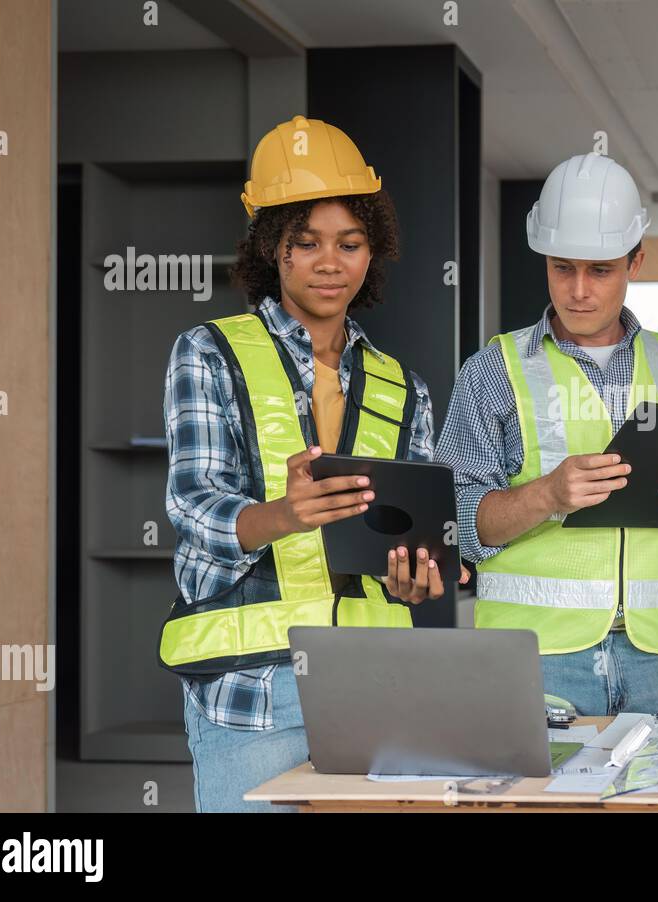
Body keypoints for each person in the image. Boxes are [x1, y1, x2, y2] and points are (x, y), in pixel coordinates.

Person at [160, 115, 466, 811]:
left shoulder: (401, 385)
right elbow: (194, 507)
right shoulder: (209, 353)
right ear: (273, 250)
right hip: (254, 698)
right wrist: (284, 514)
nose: (331, 263)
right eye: (306, 243)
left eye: (350, 243)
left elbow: (405, 537)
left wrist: (419, 578)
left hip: (378, 694)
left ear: (373, 250)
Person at [436, 153, 658, 715]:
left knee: (656, 801)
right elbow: (453, 520)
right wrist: (546, 495)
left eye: (600, 270)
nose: (578, 289)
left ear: (636, 261)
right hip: (533, 656)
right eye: (561, 267)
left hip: (655, 655)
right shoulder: (492, 371)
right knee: (536, 806)